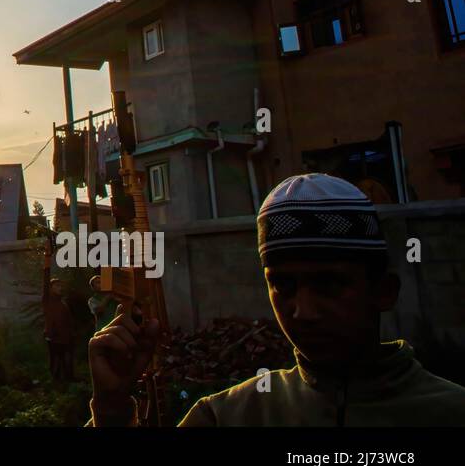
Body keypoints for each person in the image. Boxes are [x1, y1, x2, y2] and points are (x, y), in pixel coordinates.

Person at [87, 173, 465, 425]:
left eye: (329, 285)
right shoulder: (227, 417)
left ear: (383, 291)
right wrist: (112, 408)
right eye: (283, 286)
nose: (303, 311)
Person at [43, 278, 75, 384]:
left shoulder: (63, 303)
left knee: (65, 362)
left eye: (60, 286)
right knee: (55, 361)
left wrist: (71, 334)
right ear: (50, 288)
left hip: (65, 338)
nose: (59, 288)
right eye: (56, 286)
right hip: (53, 337)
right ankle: (55, 384)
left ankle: (66, 384)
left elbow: (68, 321)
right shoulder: (47, 301)